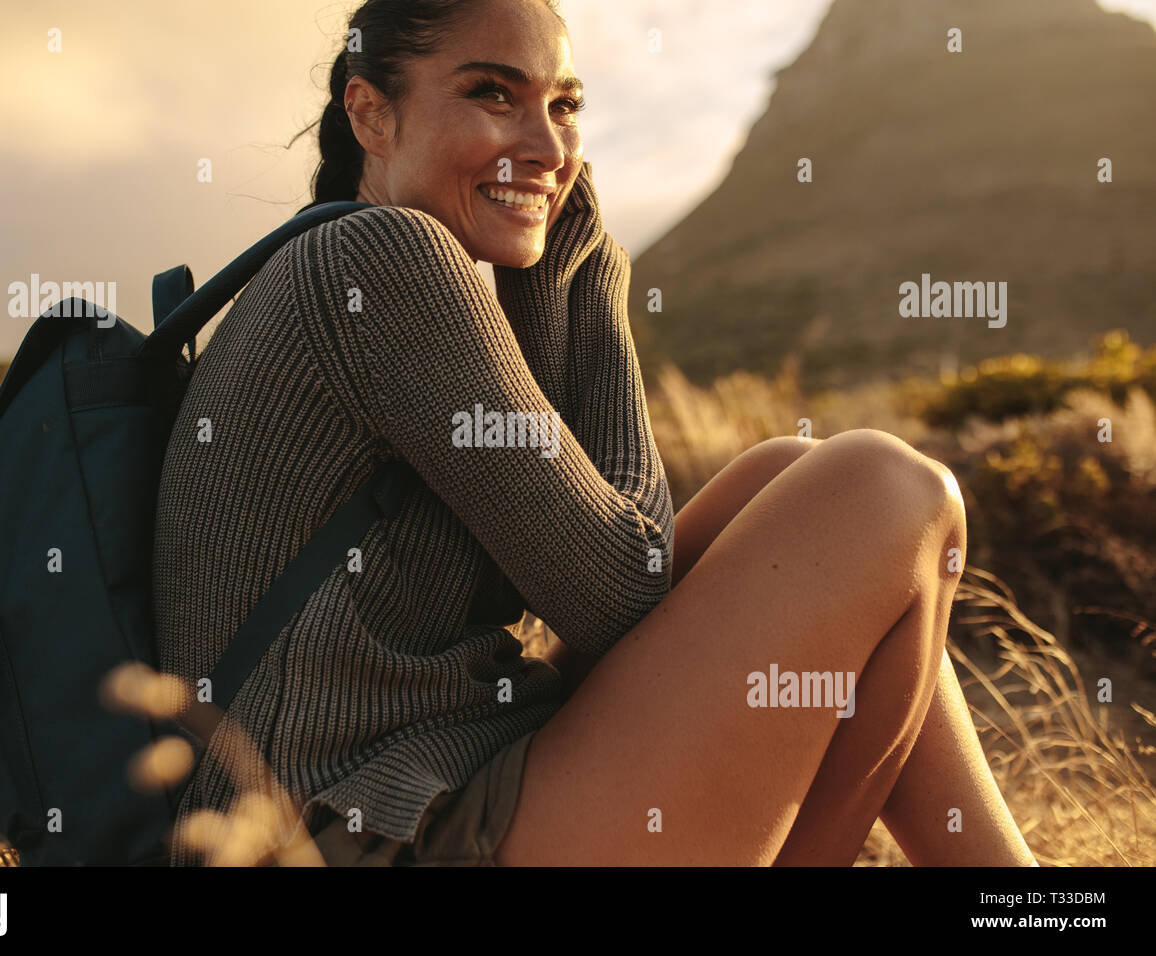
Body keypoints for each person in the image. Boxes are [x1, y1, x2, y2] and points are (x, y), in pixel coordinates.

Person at [153, 0, 1037, 866]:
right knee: (886, 491)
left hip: (433, 786)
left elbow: (595, 572)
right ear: (371, 114)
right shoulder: (381, 260)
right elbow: (624, 591)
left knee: (787, 471)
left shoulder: (345, 261)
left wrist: (550, 279)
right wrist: (587, 274)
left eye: (563, 105)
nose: (547, 146)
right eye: (494, 94)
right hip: (362, 830)